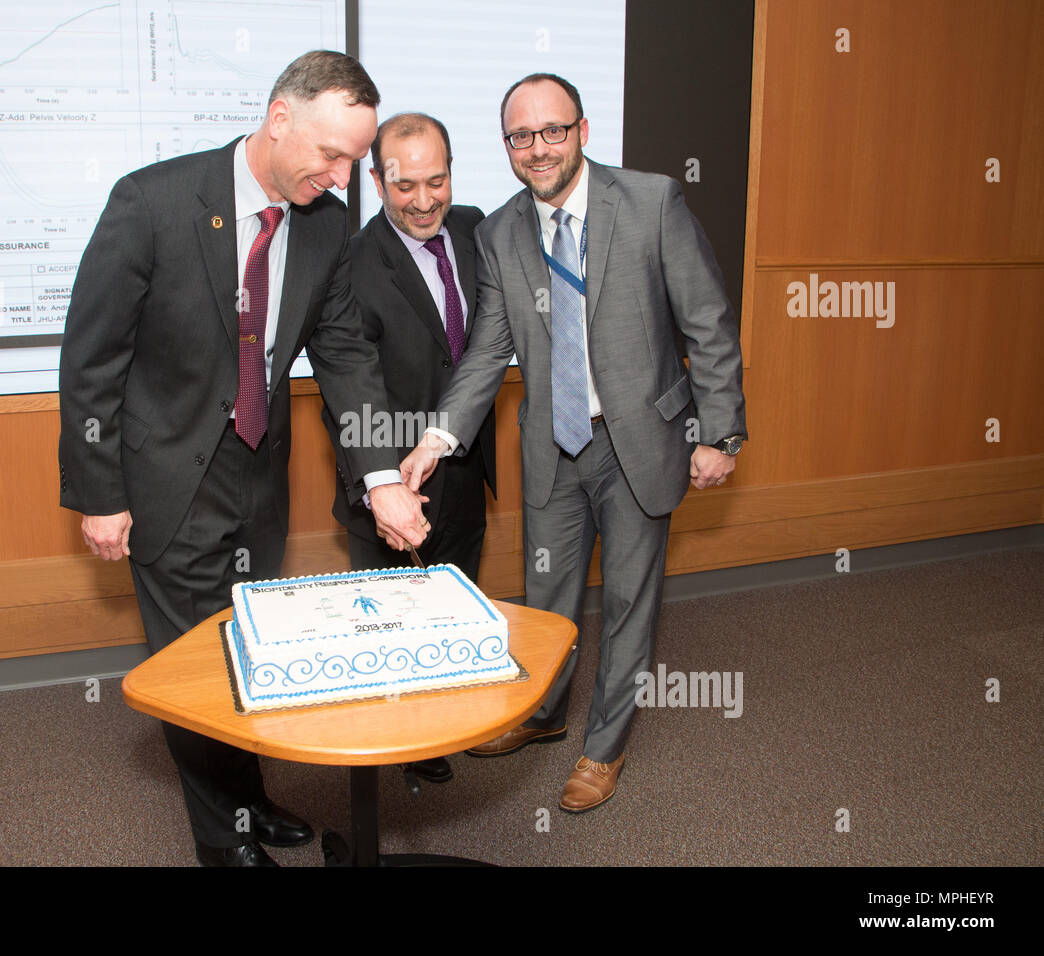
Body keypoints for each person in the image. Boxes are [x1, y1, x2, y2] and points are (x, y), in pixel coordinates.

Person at [58, 51, 428, 866]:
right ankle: (220, 842)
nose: (340, 177)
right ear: (280, 117)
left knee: (249, 650)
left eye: (353, 163)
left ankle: (250, 802)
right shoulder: (152, 202)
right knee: (197, 666)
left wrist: (378, 477)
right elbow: (91, 358)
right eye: (330, 155)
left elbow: (341, 353)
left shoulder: (326, 223)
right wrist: (99, 492)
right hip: (167, 478)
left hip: (259, 475)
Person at [402, 73, 746, 813]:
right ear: (507, 146)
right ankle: (544, 713)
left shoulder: (651, 201)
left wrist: (720, 430)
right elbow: (489, 352)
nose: (538, 149)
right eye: (521, 136)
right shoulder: (499, 232)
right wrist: (436, 438)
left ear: (583, 131)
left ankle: (604, 747)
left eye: (553, 131)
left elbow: (707, 321)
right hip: (553, 449)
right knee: (546, 597)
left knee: (627, 601)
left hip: (641, 445)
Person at [322, 112, 497, 786]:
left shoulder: (476, 228)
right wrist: (384, 483)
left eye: (437, 181)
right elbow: (349, 383)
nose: (423, 201)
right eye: (404, 187)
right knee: (390, 626)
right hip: (392, 481)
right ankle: (391, 747)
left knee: (456, 607)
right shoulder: (352, 264)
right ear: (375, 179)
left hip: (465, 465)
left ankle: (436, 733)